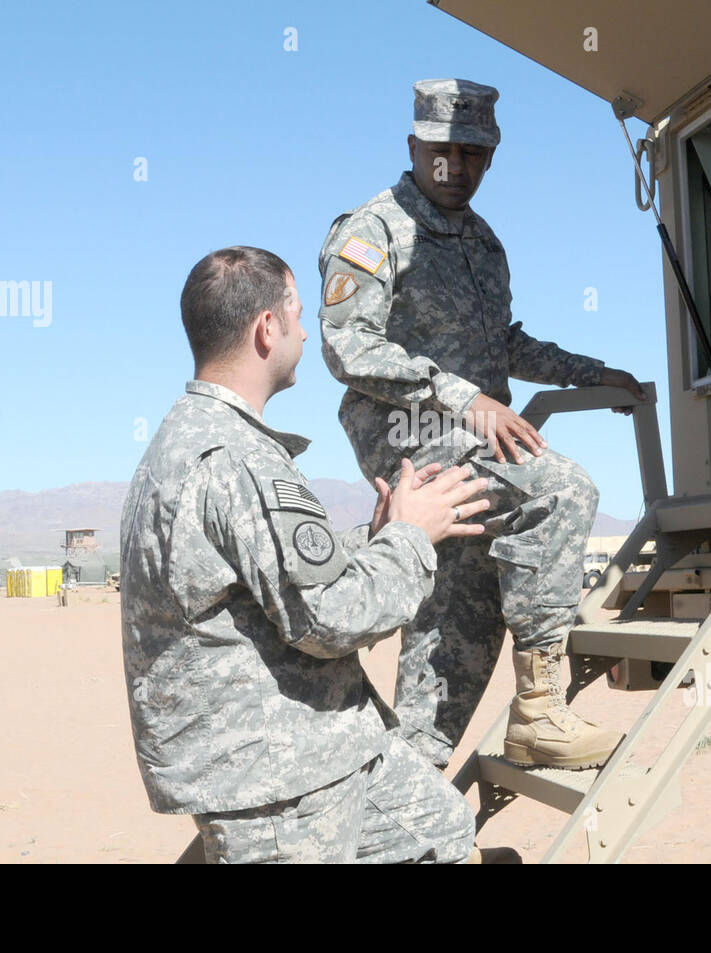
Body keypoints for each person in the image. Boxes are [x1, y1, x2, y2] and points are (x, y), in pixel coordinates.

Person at [120, 246, 491, 863]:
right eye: (295, 312)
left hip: (319, 752)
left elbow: (266, 578)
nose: (303, 329)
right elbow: (328, 618)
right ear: (268, 329)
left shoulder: (191, 440)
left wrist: (375, 539)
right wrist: (412, 536)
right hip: (275, 781)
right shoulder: (235, 457)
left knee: (440, 830)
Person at [318, 79, 647, 771]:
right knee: (560, 489)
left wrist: (589, 372)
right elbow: (347, 345)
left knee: (454, 635)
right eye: (443, 150)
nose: (458, 167)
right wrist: (462, 396)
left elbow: (504, 342)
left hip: (474, 440)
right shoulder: (374, 228)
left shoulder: (484, 243)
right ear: (413, 145)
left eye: (476, 153)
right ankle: (539, 711)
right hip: (407, 436)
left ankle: (409, 795)